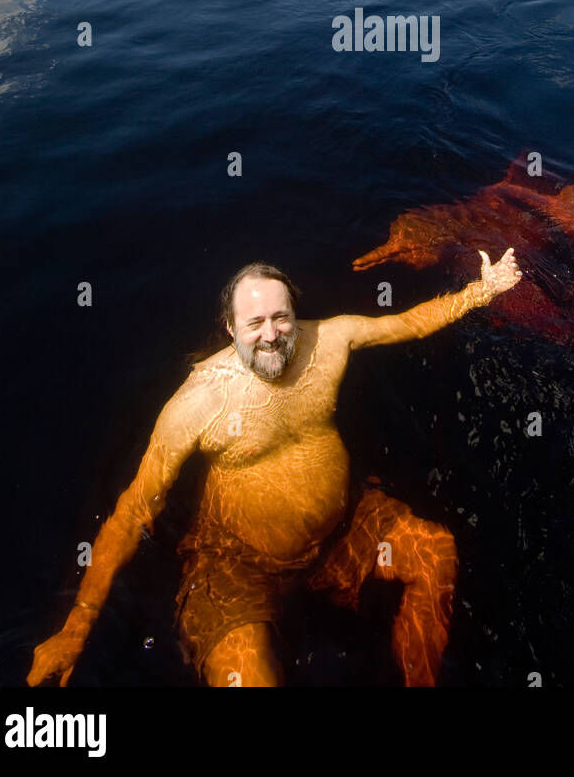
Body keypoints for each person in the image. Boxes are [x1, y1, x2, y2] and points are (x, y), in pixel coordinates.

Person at [27, 248, 522, 688]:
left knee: (437, 553)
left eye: (280, 318)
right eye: (254, 323)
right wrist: (77, 626)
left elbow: (409, 323)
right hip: (238, 569)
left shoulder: (329, 341)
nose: (270, 334)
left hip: (342, 535)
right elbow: (134, 511)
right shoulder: (198, 403)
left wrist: (483, 291)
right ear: (230, 328)